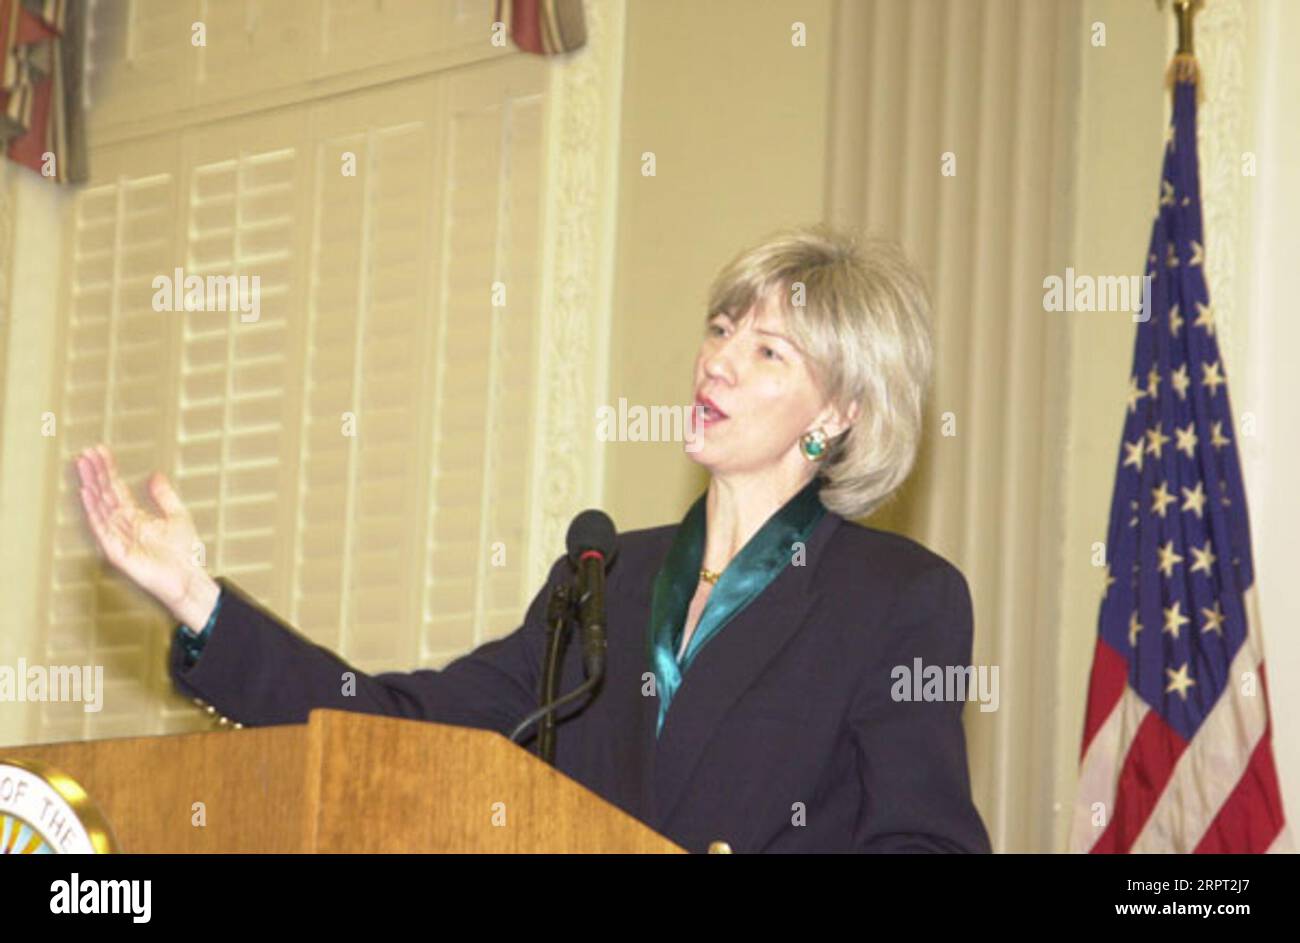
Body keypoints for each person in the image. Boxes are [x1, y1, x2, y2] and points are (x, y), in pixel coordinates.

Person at [75, 224, 991, 854]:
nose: (716, 360)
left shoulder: (897, 598)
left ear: (838, 412)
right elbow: (401, 725)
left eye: (766, 350)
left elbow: (924, 843)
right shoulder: (603, 576)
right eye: (720, 329)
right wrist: (200, 600)